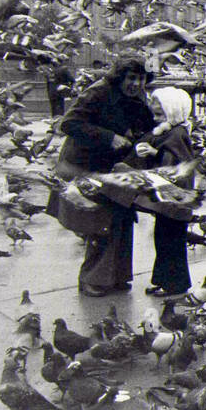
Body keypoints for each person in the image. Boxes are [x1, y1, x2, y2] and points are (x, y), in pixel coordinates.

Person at [55, 57, 154, 297]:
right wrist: (108, 136)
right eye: (131, 78)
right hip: (85, 165)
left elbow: (145, 124)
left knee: (121, 218)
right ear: (120, 77)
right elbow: (68, 124)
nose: (136, 84)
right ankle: (92, 279)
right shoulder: (98, 92)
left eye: (140, 79)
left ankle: (117, 276)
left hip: (114, 166)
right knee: (100, 223)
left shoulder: (137, 96)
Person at [135, 87, 195, 298]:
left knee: (171, 243)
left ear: (173, 112)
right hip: (169, 201)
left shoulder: (177, 134)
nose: (155, 118)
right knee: (163, 240)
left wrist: (154, 153)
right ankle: (162, 280)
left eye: (160, 114)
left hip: (174, 201)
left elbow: (176, 164)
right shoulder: (171, 131)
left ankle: (175, 285)